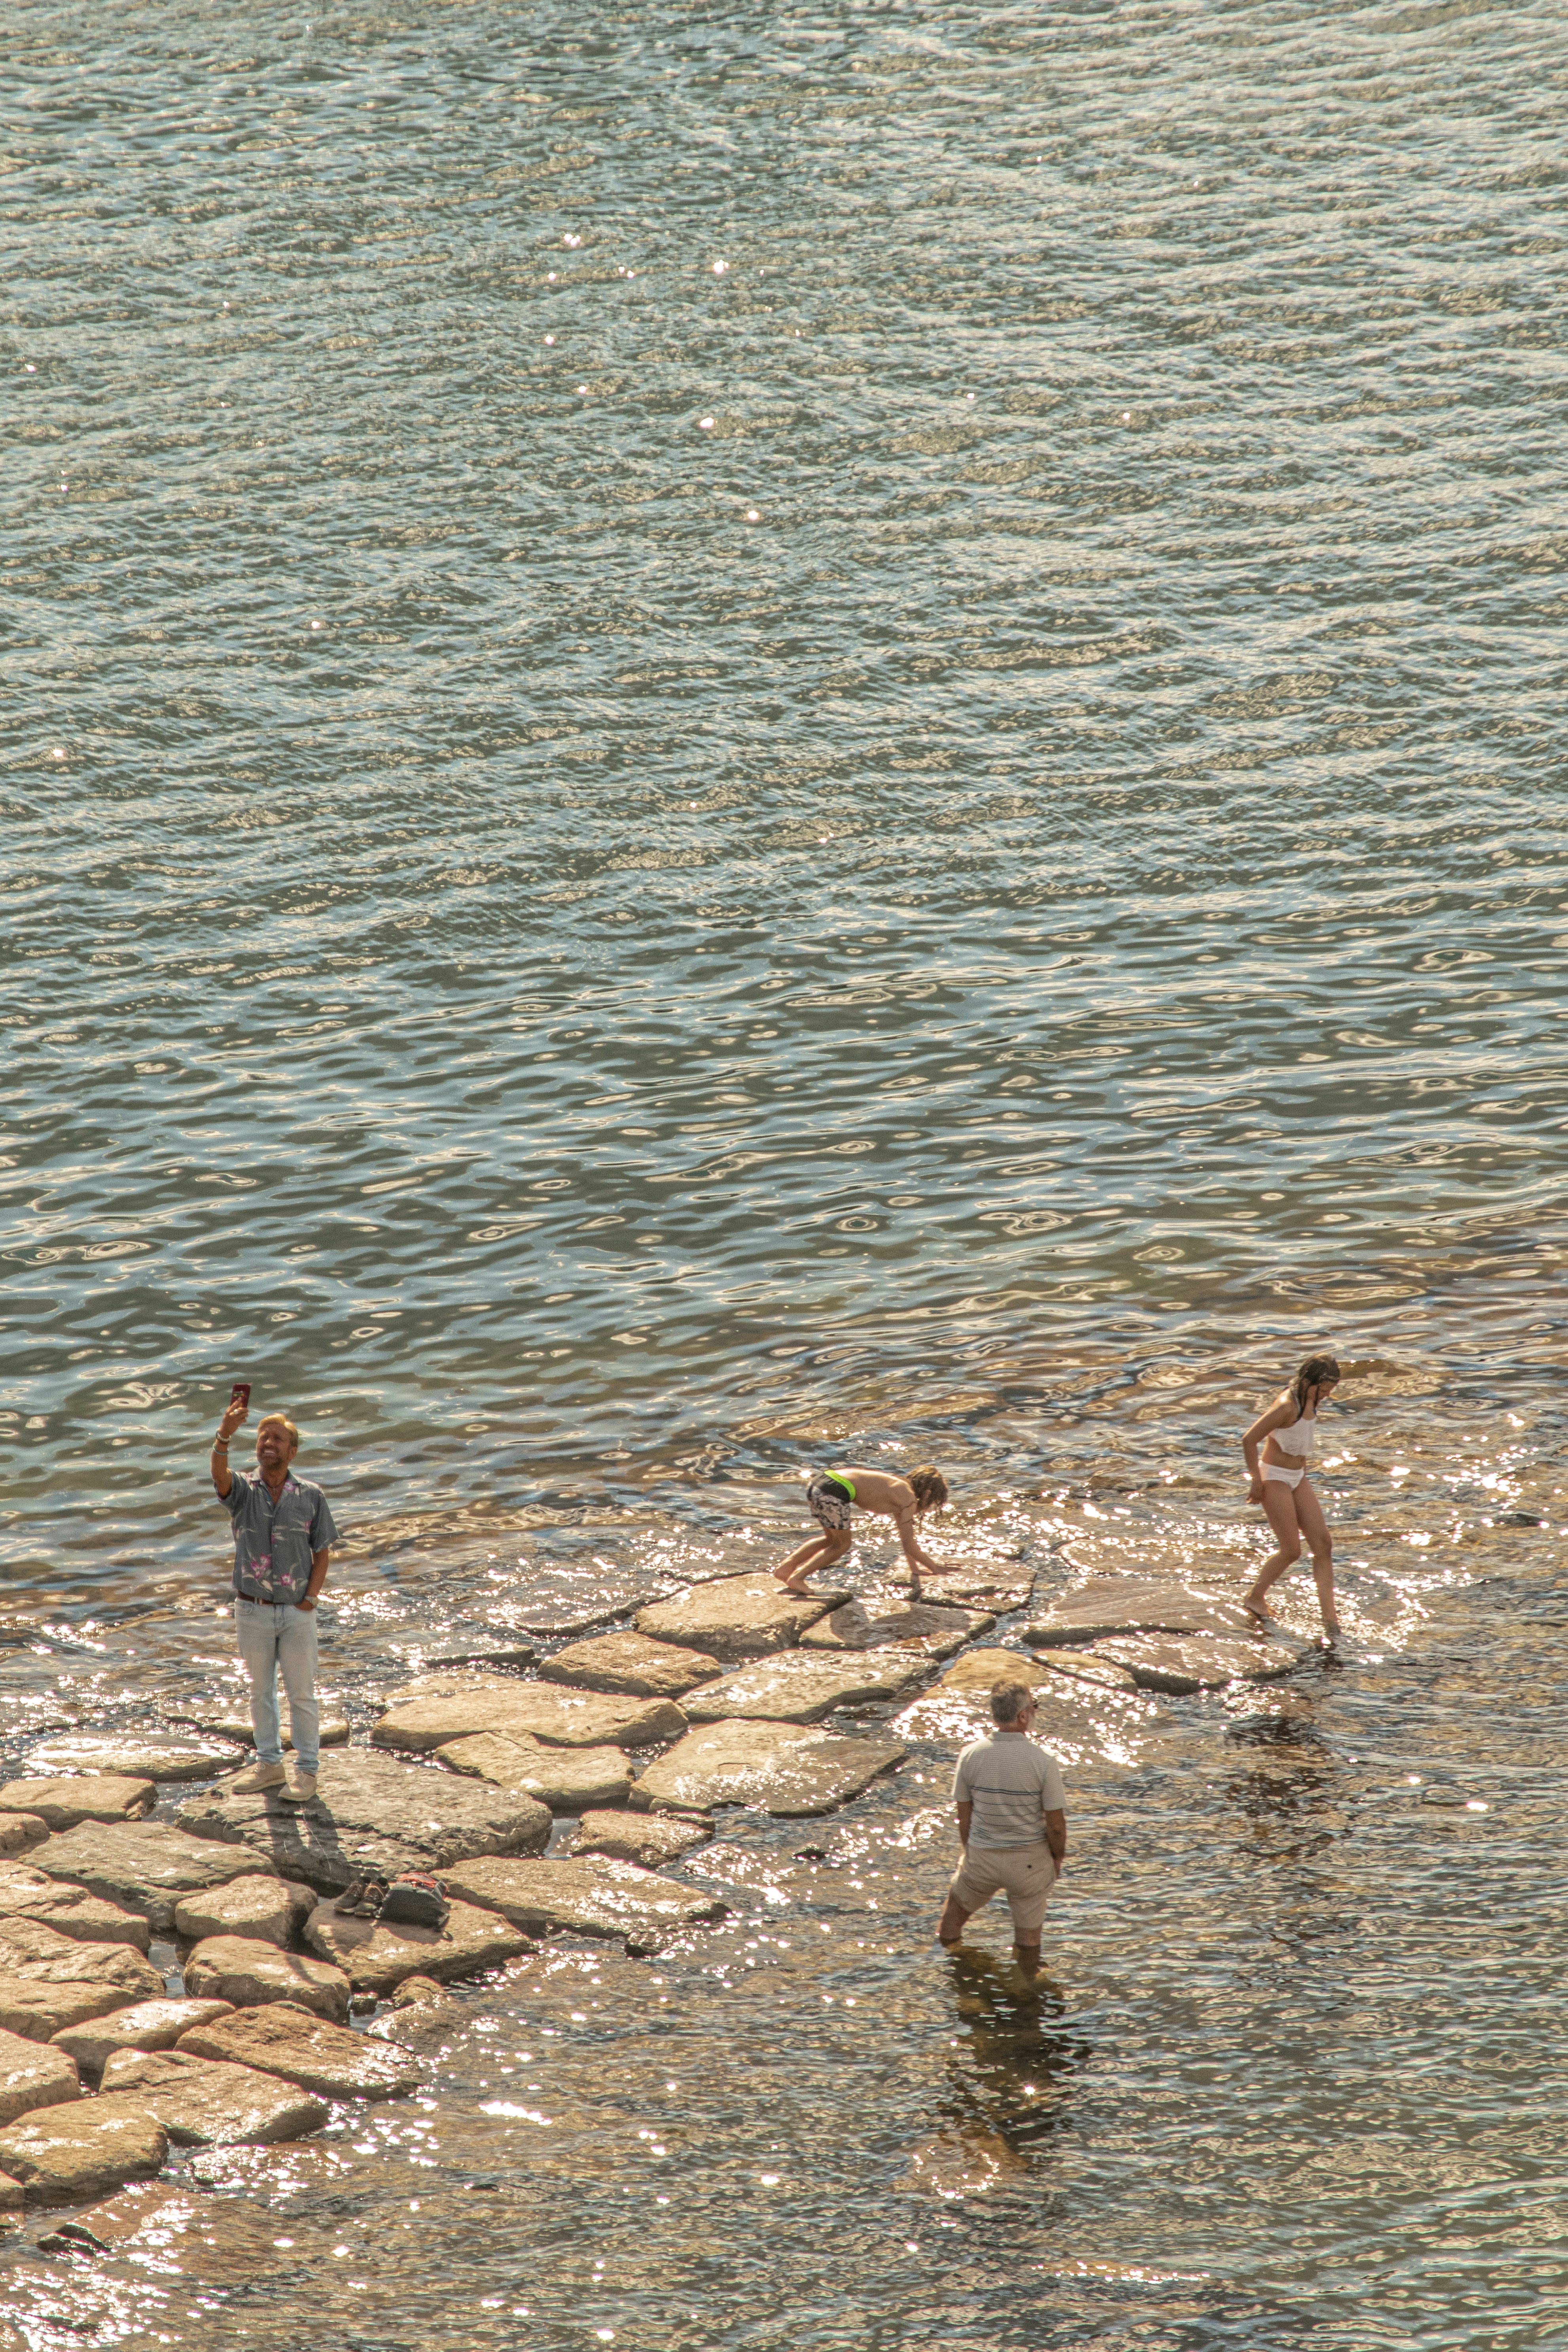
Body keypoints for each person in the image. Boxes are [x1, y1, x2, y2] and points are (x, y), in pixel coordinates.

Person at [210, 1393, 338, 1801]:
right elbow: (219, 1477)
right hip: (253, 1609)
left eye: (277, 1438)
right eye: (263, 1437)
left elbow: (323, 1553)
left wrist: (310, 1601)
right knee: (260, 1692)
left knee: (302, 1694)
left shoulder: (311, 1496)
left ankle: (307, 1771)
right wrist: (224, 1437)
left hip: (297, 1611)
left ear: (292, 1451)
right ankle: (269, 1765)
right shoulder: (244, 1491)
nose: (268, 1443)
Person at [937, 1678, 1067, 1978]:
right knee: (1028, 1942)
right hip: (1030, 1863)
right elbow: (1056, 1826)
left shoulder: (970, 1755)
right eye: (1034, 1707)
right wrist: (1057, 1858)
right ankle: (1026, 1995)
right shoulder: (1043, 1762)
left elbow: (964, 1816)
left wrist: (971, 1852)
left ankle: (959, 1975)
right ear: (1023, 1716)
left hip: (982, 1856)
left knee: (951, 1924)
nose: (1035, 1712)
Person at [1242, 1352, 1342, 1639]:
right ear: (1307, 1381)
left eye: (1330, 1390)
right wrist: (1256, 1482)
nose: (1327, 1394)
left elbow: (1300, 1441)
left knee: (1323, 1544)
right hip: (1274, 1477)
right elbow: (1249, 1439)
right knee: (1292, 1550)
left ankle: (1330, 1618)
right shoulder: (1287, 1406)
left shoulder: (1312, 1399)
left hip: (1298, 1477)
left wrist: (1303, 1472)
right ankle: (1254, 1597)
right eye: (1323, 1389)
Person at [769, 1464, 949, 1600]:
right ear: (927, 1494)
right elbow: (909, 1542)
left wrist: (914, 1568)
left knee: (830, 1539)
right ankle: (798, 1578)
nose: (928, 1507)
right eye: (932, 1502)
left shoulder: (898, 1489)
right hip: (835, 1490)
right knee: (842, 1545)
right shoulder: (907, 1497)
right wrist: (935, 1568)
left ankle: (785, 1570)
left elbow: (905, 1539)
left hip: (820, 1482)